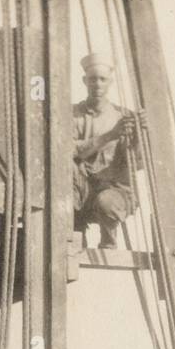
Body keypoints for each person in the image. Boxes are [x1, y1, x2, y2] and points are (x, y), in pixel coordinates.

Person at [73, 54, 143, 250]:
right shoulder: (72, 115)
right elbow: (67, 152)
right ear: (84, 81)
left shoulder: (124, 116)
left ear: (110, 82)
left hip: (116, 191)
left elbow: (136, 163)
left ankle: (108, 239)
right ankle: (76, 233)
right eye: (93, 79)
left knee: (106, 202)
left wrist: (139, 138)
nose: (97, 84)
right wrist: (110, 135)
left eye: (102, 79)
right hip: (83, 190)